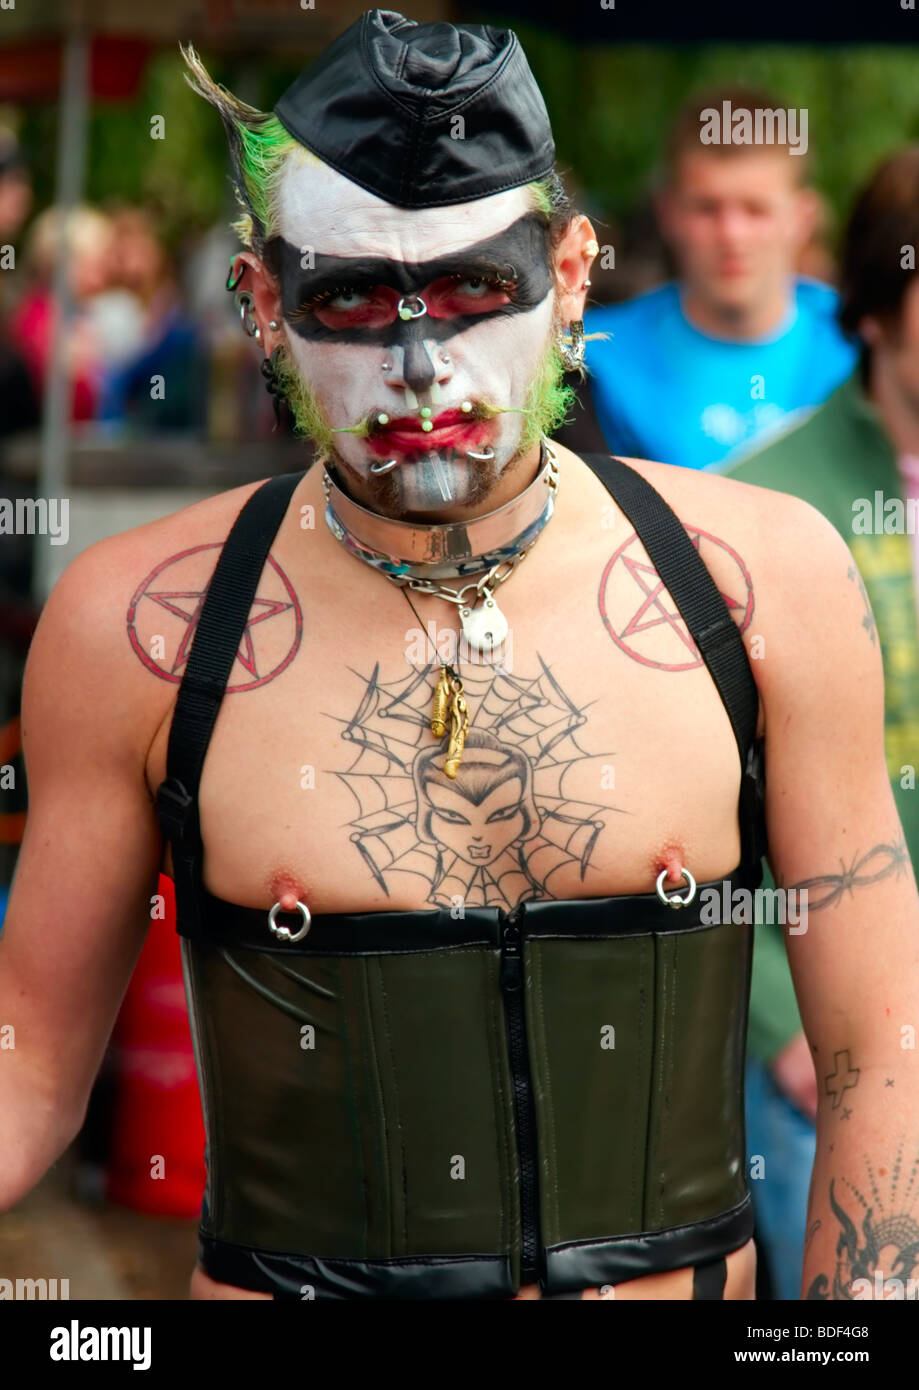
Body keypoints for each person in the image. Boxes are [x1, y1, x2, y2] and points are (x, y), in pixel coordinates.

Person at [1, 11, 918, 1302]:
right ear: (262, 302)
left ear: (573, 269)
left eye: (476, 288)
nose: (420, 365)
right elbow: (28, 1061)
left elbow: (882, 1047)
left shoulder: (762, 579)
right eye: (354, 299)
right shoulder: (138, 626)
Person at [725, 150, 919, 1299]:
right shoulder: (767, 502)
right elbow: (712, 791)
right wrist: (782, 1017)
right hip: (821, 1037)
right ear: (876, 304)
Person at [555, 83, 858, 470]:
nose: (732, 235)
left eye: (755, 210)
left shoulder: (859, 345)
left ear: (802, 219)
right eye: (707, 208)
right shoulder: (591, 357)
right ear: (667, 213)